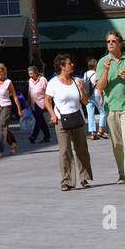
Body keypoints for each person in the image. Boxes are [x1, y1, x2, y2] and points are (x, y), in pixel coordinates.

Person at [95, 31, 125, 187]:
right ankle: (122, 173)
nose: (110, 44)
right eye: (108, 41)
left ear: (120, 43)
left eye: (114, 41)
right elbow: (100, 87)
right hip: (111, 107)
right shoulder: (103, 62)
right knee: (117, 143)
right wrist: (106, 70)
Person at [45, 54, 94, 190]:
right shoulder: (53, 83)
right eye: (69, 63)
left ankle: (84, 178)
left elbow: (84, 101)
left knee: (82, 149)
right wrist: (52, 115)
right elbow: (47, 100)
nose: (72, 65)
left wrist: (82, 88)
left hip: (77, 117)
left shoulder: (76, 81)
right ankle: (67, 180)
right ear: (62, 67)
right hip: (61, 120)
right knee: (65, 151)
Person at [0, 63, 22, 157]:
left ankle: (0, 150)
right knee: (2, 127)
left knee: (2, 126)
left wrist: (19, 110)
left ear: (4, 72)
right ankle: (12, 143)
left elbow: (15, 97)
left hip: (6, 106)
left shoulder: (8, 82)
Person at [83, 59, 108, 139]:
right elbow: (99, 86)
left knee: (90, 114)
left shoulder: (86, 74)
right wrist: (101, 98)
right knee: (102, 112)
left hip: (88, 95)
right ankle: (100, 130)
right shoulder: (96, 74)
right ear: (95, 66)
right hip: (96, 94)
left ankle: (92, 133)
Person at [26, 66, 51, 145]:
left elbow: (48, 92)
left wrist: (48, 104)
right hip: (33, 103)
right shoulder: (30, 80)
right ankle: (47, 136)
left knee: (39, 120)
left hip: (42, 102)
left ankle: (33, 136)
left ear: (36, 73)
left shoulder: (43, 80)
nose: (30, 76)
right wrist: (28, 101)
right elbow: (30, 91)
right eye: (29, 74)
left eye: (32, 74)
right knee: (40, 120)